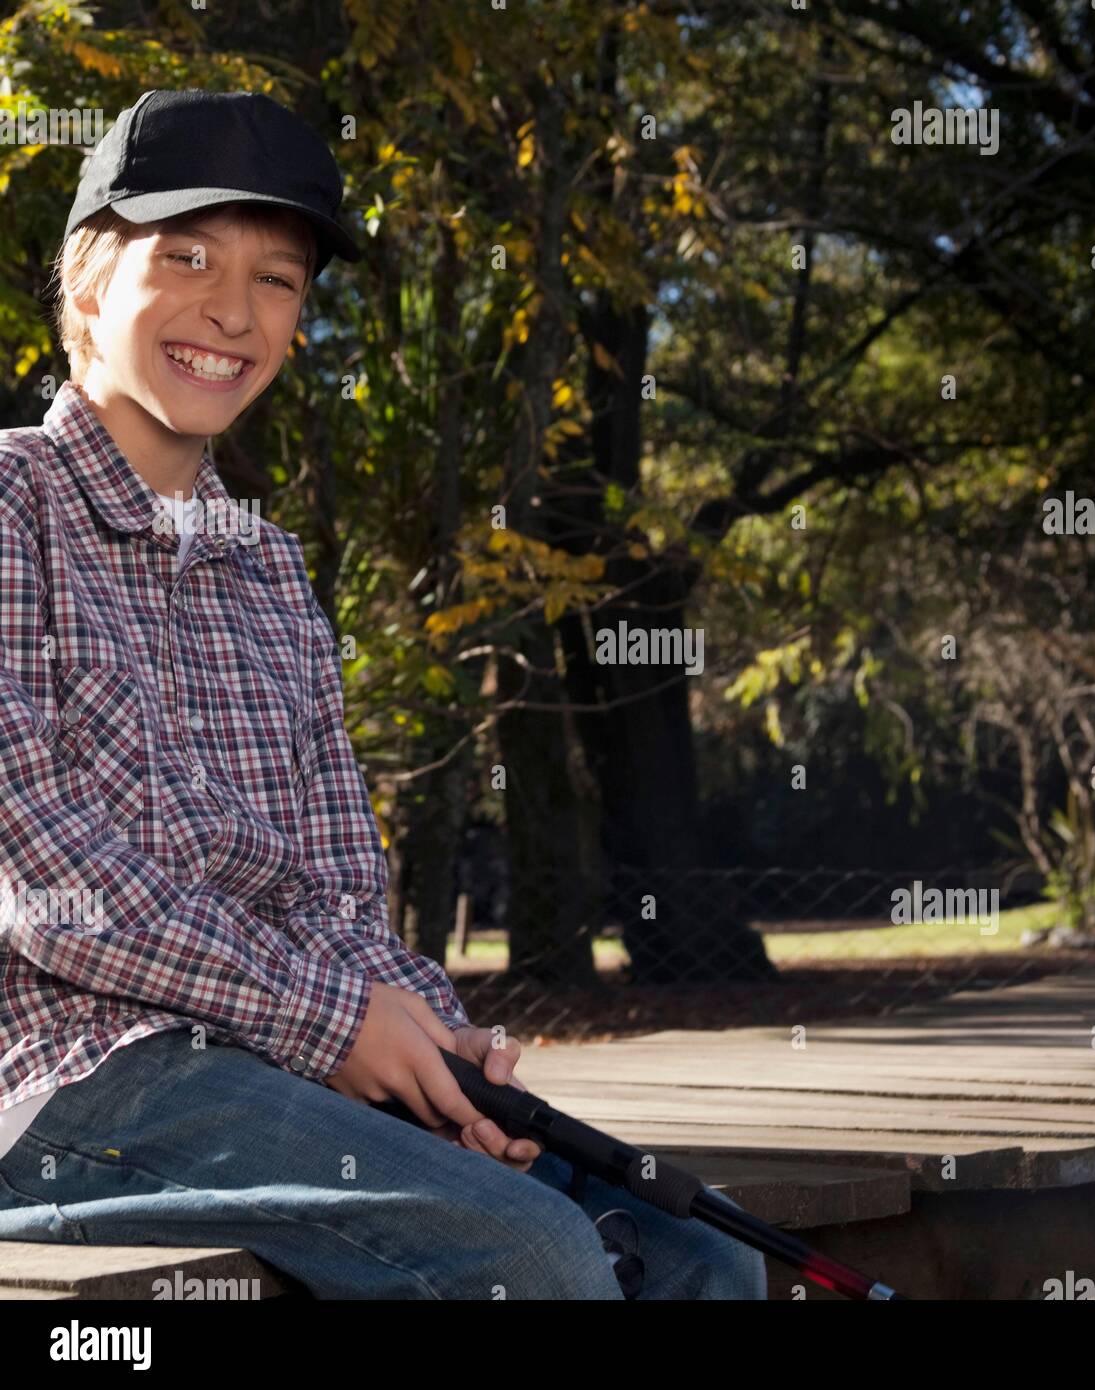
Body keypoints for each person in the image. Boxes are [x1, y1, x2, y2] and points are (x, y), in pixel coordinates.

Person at [0, 88, 767, 1300]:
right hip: (61, 1080)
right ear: (88, 281)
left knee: (701, 1253)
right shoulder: (10, 507)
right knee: (533, 1261)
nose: (234, 312)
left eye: (280, 280)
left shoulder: (269, 570)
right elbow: (48, 888)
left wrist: (438, 1052)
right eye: (187, 257)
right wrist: (336, 1023)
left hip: (275, 1065)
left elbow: (339, 894)